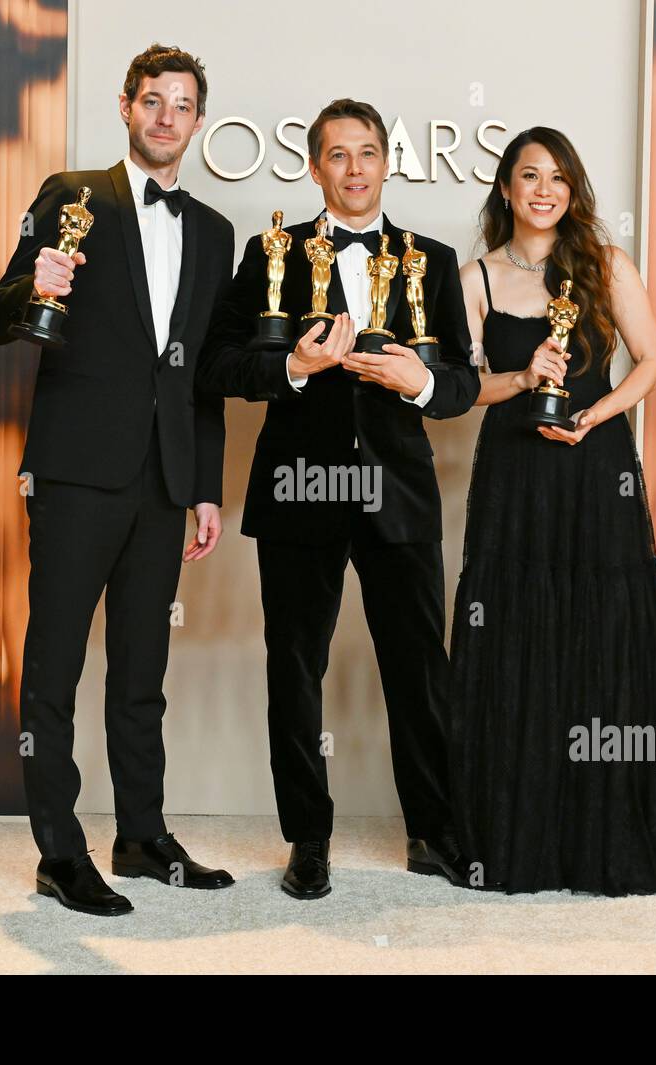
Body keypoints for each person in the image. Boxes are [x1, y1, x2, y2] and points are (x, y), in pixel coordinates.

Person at [448, 126, 656, 895]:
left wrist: (597, 414)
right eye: (529, 176)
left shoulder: (604, 264)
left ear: (573, 188)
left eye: (558, 177)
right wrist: (523, 379)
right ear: (506, 188)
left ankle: (607, 823)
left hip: (596, 470)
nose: (544, 190)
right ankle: (517, 829)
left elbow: (654, 358)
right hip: (516, 477)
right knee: (517, 625)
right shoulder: (476, 279)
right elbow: (461, 389)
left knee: (604, 623)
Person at [197, 98, 480, 899]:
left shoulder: (431, 257)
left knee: (420, 668)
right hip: (298, 491)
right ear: (315, 166)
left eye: (367, 153)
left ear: (388, 162)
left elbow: (462, 381)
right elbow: (217, 367)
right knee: (294, 668)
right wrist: (295, 369)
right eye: (338, 155)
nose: (354, 169)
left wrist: (419, 380)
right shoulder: (269, 253)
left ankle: (432, 829)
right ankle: (308, 840)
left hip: (398, 492)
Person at [0, 43, 235, 916]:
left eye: (184, 104)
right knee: (53, 667)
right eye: (154, 100)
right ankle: (60, 850)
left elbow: (201, 373)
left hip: (165, 481)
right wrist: (33, 284)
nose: (168, 116)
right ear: (127, 107)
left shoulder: (214, 232)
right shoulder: (73, 194)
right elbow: (0, 313)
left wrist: (205, 486)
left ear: (199, 121)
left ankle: (141, 834)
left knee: (141, 673)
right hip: (76, 473)